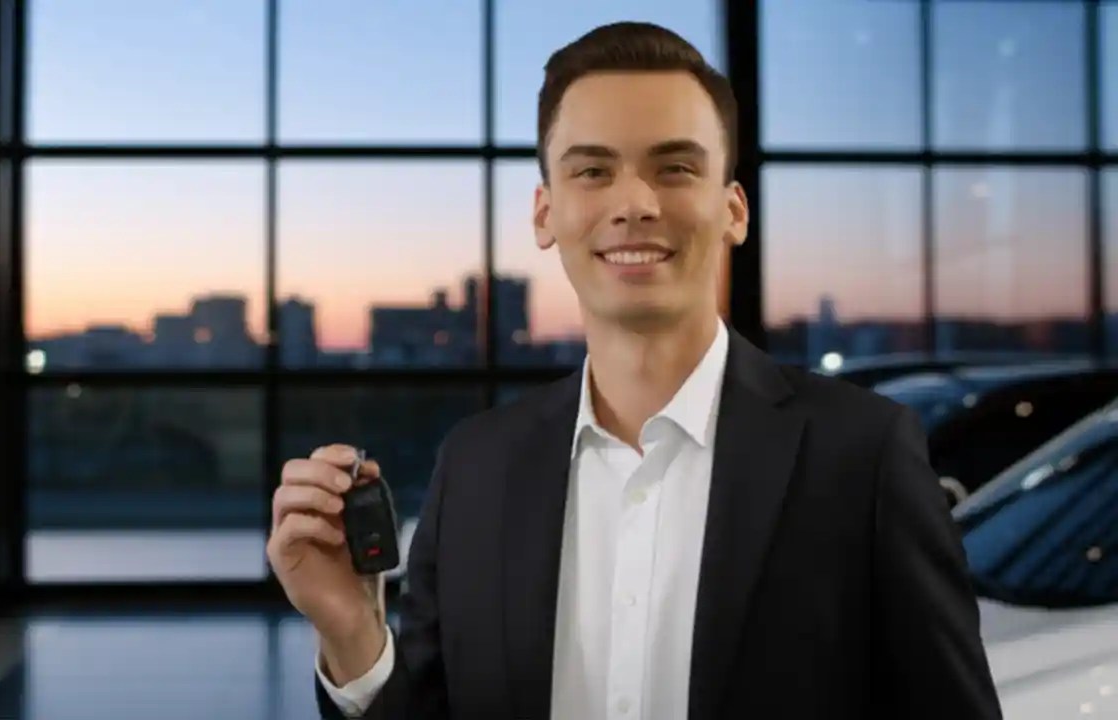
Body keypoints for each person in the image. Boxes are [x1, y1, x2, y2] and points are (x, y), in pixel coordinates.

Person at [267, 21, 1003, 720]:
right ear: (545, 213)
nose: (634, 205)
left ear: (734, 208)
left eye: (674, 168)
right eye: (593, 170)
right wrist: (353, 637)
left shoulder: (864, 456)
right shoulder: (477, 466)